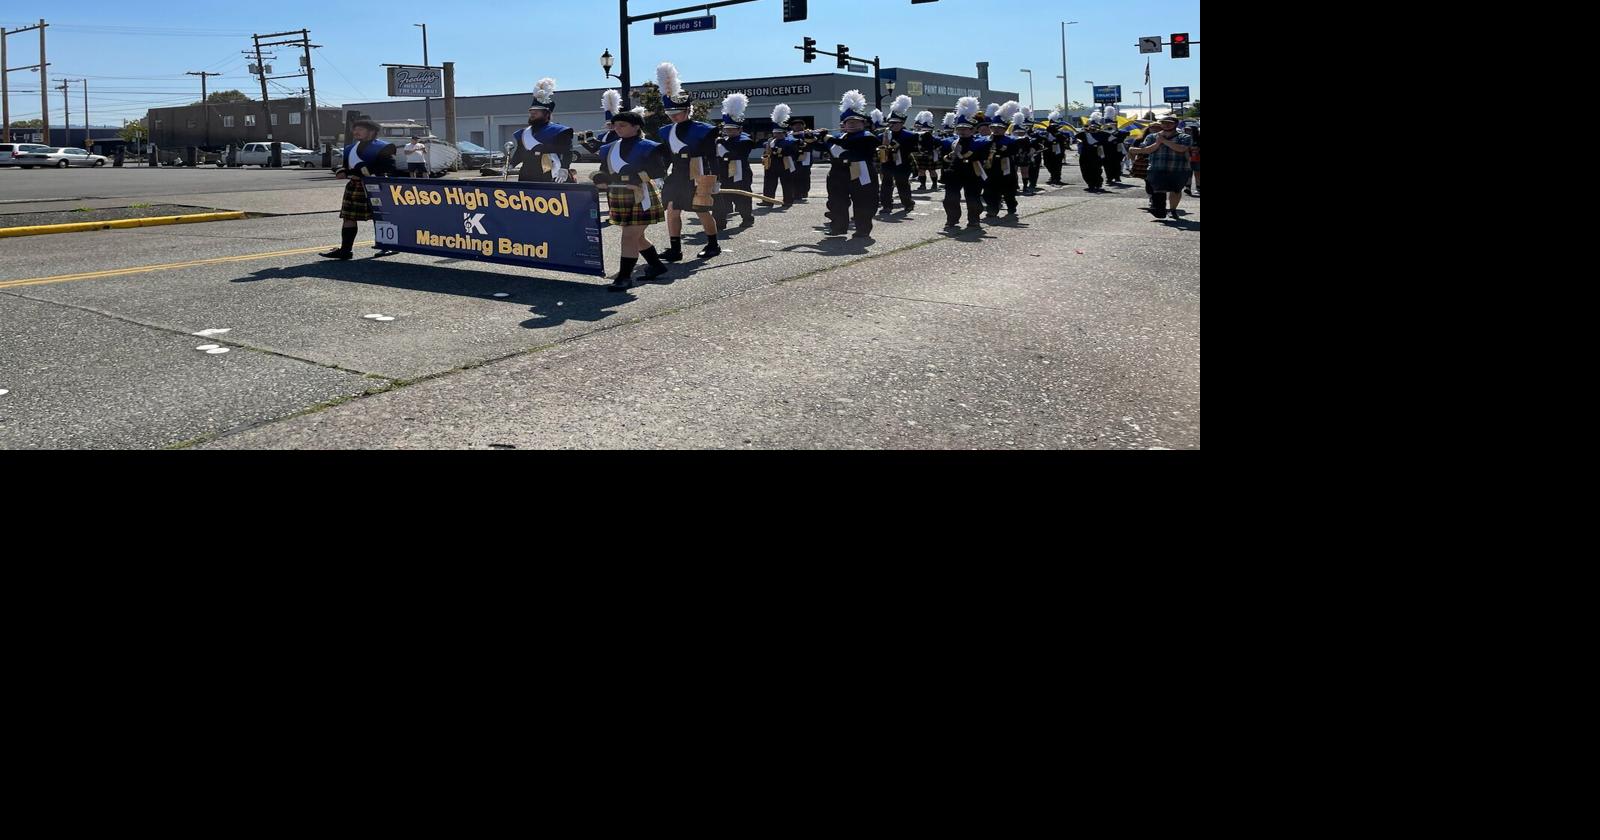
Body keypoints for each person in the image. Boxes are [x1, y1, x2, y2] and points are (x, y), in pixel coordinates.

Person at [592, 109, 672, 291]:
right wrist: (600, 178)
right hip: (619, 195)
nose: (617, 129)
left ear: (636, 127)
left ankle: (624, 277)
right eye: (616, 125)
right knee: (637, 236)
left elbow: (659, 172)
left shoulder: (649, 146)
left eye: (623, 125)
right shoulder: (608, 148)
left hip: (641, 194)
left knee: (629, 236)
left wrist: (636, 178)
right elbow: (604, 170)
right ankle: (656, 266)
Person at [655, 62, 722, 261]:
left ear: (687, 109)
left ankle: (713, 244)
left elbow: (712, 156)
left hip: (698, 173)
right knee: (672, 210)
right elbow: (666, 155)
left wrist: (715, 180)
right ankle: (675, 249)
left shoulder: (705, 129)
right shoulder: (665, 131)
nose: (673, 117)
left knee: (701, 211)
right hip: (677, 175)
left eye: (676, 113)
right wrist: (660, 173)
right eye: (669, 114)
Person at [320, 118, 400, 260]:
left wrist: (368, 172)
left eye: (360, 129)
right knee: (348, 217)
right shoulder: (350, 148)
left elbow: (390, 170)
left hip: (376, 186)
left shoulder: (384, 147)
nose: (356, 132)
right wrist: (341, 170)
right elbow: (346, 165)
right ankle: (345, 251)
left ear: (372, 132)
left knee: (381, 217)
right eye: (355, 129)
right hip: (355, 185)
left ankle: (387, 246)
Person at [822, 90, 881, 238]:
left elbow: (850, 143)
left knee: (862, 200)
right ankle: (838, 227)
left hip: (858, 169)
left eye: (856, 122)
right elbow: (823, 147)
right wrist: (813, 137)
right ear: (844, 124)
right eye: (849, 122)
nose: (852, 124)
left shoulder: (867, 136)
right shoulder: (838, 136)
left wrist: (828, 139)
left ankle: (862, 229)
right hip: (838, 171)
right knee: (837, 201)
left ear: (863, 123)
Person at [509, 78, 577, 184]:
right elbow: (520, 152)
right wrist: (511, 164)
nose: (532, 113)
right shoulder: (524, 133)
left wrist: (564, 168)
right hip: (527, 173)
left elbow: (567, 152)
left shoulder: (560, 131)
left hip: (551, 171)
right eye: (531, 111)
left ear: (546, 114)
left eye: (537, 111)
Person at [1128, 116, 1194, 220]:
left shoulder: (1184, 137)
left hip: (1178, 168)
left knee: (1175, 191)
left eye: (1169, 123)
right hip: (1156, 168)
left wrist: (1164, 141)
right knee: (1158, 189)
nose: (1166, 125)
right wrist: (1157, 143)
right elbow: (1147, 150)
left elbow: (1182, 149)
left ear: (1175, 124)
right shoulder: (1152, 137)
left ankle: (1172, 210)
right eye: (1164, 123)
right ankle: (1160, 211)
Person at [938, 97, 988, 231]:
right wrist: (950, 155)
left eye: (965, 129)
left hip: (972, 173)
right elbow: (943, 158)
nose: (962, 131)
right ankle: (952, 219)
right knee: (950, 198)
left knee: (972, 198)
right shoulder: (950, 142)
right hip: (954, 172)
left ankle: (974, 220)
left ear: (973, 130)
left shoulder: (980, 142)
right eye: (959, 128)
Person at [713, 93, 757, 230]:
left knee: (742, 197)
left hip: (740, 173)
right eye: (727, 129)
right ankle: (720, 222)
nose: (729, 131)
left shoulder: (745, 140)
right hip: (723, 173)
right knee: (722, 198)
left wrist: (722, 146)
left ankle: (747, 218)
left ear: (740, 129)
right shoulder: (723, 140)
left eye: (732, 129)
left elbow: (736, 153)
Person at [876, 95, 917, 215]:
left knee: (902, 184)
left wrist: (894, 144)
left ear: (902, 123)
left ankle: (908, 203)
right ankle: (886, 205)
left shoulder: (909, 135)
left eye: (895, 123)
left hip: (902, 163)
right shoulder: (883, 134)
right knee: (886, 184)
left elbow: (912, 148)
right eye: (891, 122)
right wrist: (883, 143)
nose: (892, 125)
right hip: (887, 162)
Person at [982, 102, 1022, 219]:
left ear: (1004, 128)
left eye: (999, 127)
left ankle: (1011, 206)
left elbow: (1015, 150)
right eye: (993, 127)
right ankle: (992, 209)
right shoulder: (985, 140)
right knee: (989, 191)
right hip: (990, 169)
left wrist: (1003, 150)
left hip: (1006, 170)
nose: (996, 129)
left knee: (1009, 192)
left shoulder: (1011, 140)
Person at [762, 104, 794, 206]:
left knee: (786, 183)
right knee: (769, 183)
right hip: (771, 164)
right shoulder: (771, 141)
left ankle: (788, 201)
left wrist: (775, 149)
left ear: (784, 133)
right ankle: (768, 201)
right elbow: (765, 147)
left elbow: (787, 149)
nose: (777, 135)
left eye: (780, 133)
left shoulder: (788, 140)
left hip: (784, 164)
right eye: (775, 133)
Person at [912, 110, 940, 192]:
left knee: (931, 171)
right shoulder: (919, 137)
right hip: (921, 155)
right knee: (922, 171)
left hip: (930, 155)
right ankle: (923, 185)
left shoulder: (935, 138)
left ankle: (933, 185)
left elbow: (938, 148)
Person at [1183, 124, 1201, 196]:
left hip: (1197, 158)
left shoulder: (1198, 138)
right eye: (1186, 130)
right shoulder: (1184, 138)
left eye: (1189, 130)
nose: (1188, 131)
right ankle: (1188, 188)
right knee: (1188, 174)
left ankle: (1198, 188)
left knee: (1197, 174)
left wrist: (1195, 149)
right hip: (1187, 158)